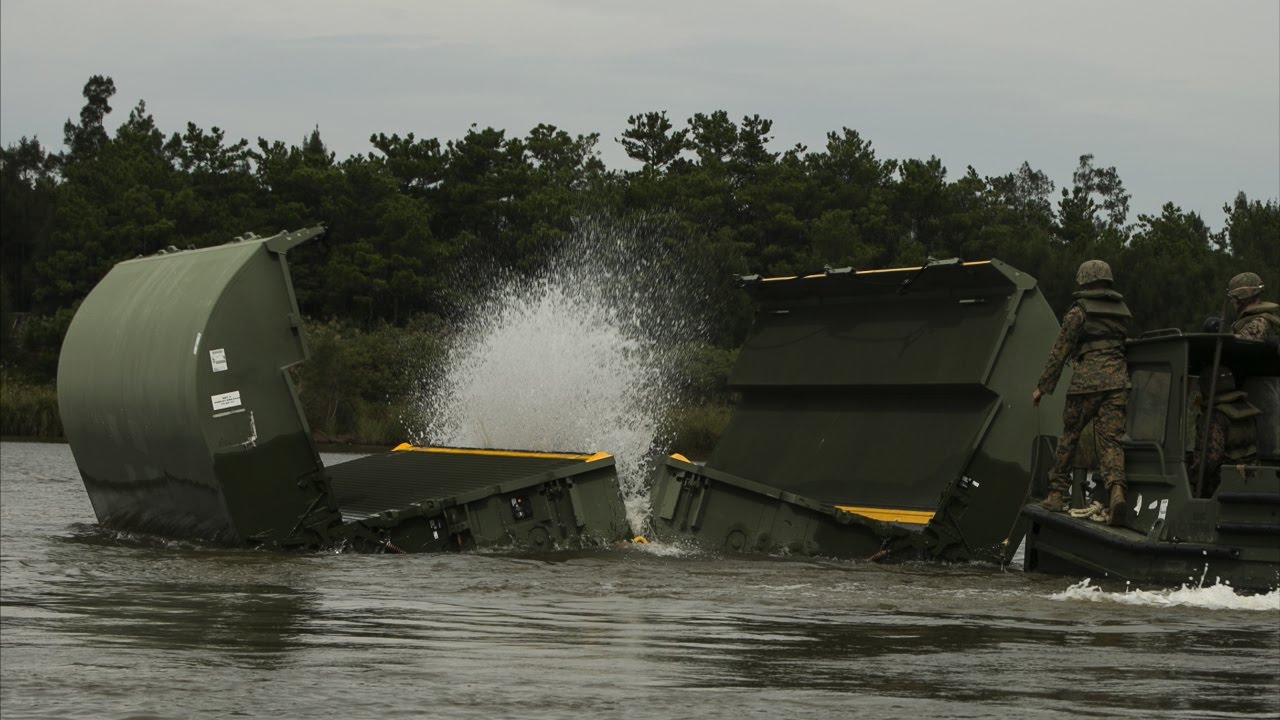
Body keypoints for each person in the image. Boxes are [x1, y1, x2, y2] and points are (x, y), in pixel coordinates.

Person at [1031, 259, 1131, 525]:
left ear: (1083, 281)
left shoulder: (1079, 311)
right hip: (1118, 383)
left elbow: (1060, 350)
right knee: (1111, 441)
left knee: (1070, 437)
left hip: (1086, 384)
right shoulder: (1122, 312)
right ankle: (1117, 491)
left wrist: (1043, 387)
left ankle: (1055, 493)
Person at [1188, 367, 1260, 498]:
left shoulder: (1216, 416)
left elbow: (1210, 459)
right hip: (1247, 483)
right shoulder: (1246, 411)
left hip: (1219, 489)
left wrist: (1191, 477)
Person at [1228, 272, 1280, 343]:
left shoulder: (1259, 322)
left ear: (1241, 297)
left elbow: (1238, 344)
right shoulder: (1253, 318)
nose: (1232, 301)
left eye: (1233, 297)